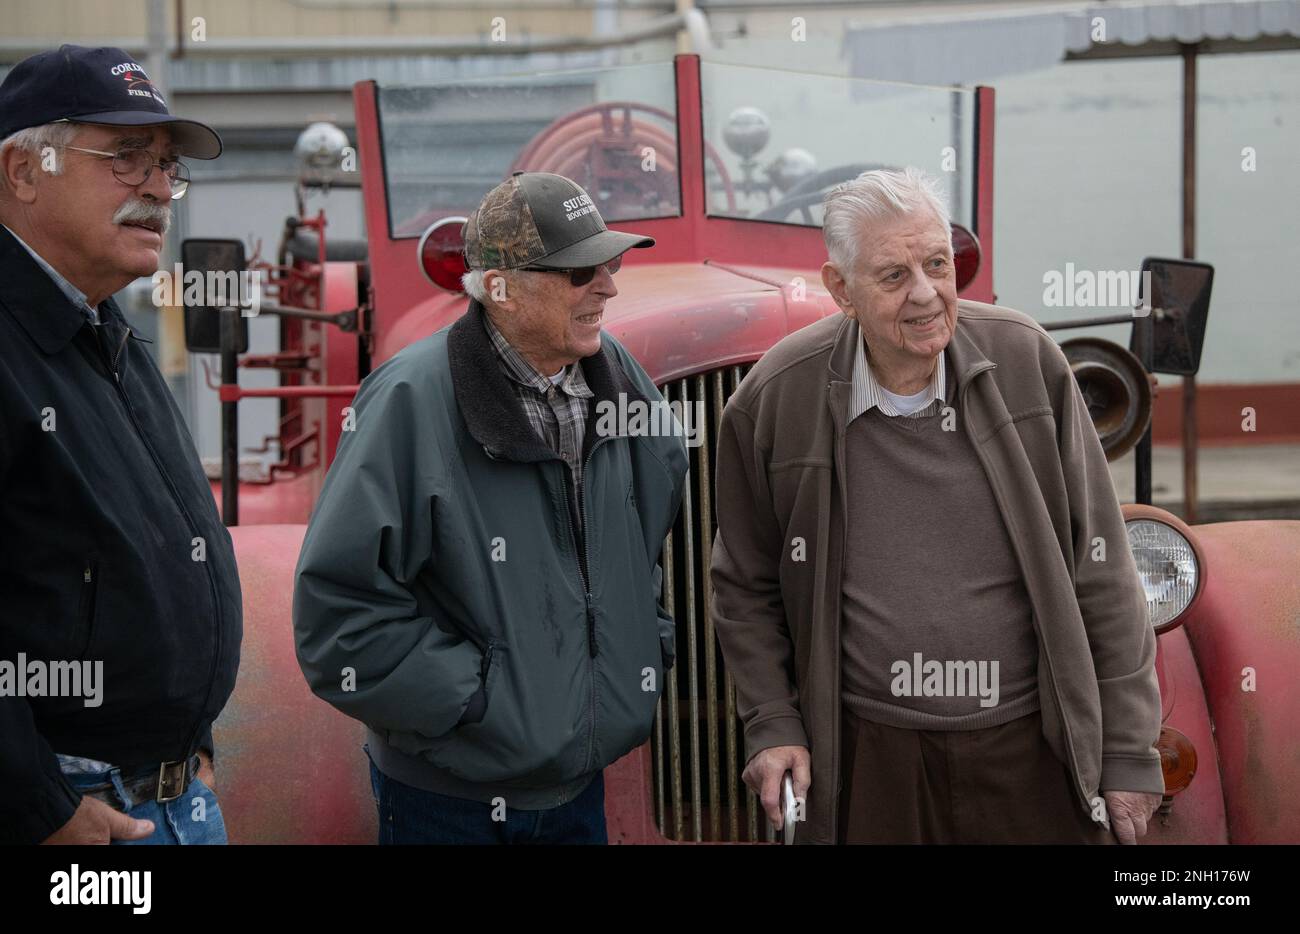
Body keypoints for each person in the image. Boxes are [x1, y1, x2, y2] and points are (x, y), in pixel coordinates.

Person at [710, 167, 1164, 844]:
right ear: (841, 289)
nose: (926, 295)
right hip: (869, 761)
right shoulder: (776, 396)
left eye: (937, 265)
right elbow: (744, 584)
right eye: (894, 276)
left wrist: (1128, 750)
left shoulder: (1026, 362)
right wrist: (772, 722)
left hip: (1031, 750)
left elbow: (1102, 566)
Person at [294, 172, 688, 844]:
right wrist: (478, 700)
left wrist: (638, 643)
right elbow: (339, 620)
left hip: (578, 790)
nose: (609, 286)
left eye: (611, 262)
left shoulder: (619, 380)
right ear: (500, 288)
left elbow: (643, 536)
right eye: (580, 271)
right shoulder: (407, 402)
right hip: (450, 806)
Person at [0, 45, 241, 844]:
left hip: (171, 794)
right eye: (126, 157)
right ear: (23, 170)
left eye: (168, 165)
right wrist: (39, 806)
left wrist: (190, 742)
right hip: (76, 813)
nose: (158, 188)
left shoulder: (107, 333)